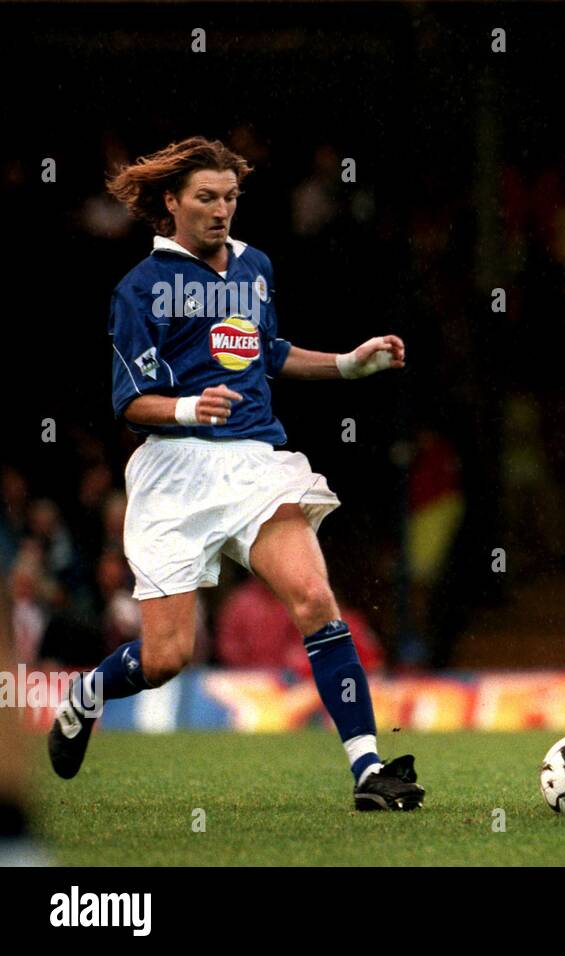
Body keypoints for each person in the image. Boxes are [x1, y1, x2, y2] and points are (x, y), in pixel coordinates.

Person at [48, 136, 423, 811]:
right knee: (166, 658)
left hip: (256, 462)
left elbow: (267, 352)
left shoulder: (256, 267)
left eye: (230, 197)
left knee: (313, 598)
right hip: (173, 473)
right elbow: (129, 402)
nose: (221, 210)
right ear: (171, 201)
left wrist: (347, 364)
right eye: (206, 198)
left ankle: (369, 769)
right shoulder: (140, 289)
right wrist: (191, 406)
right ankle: (88, 693)